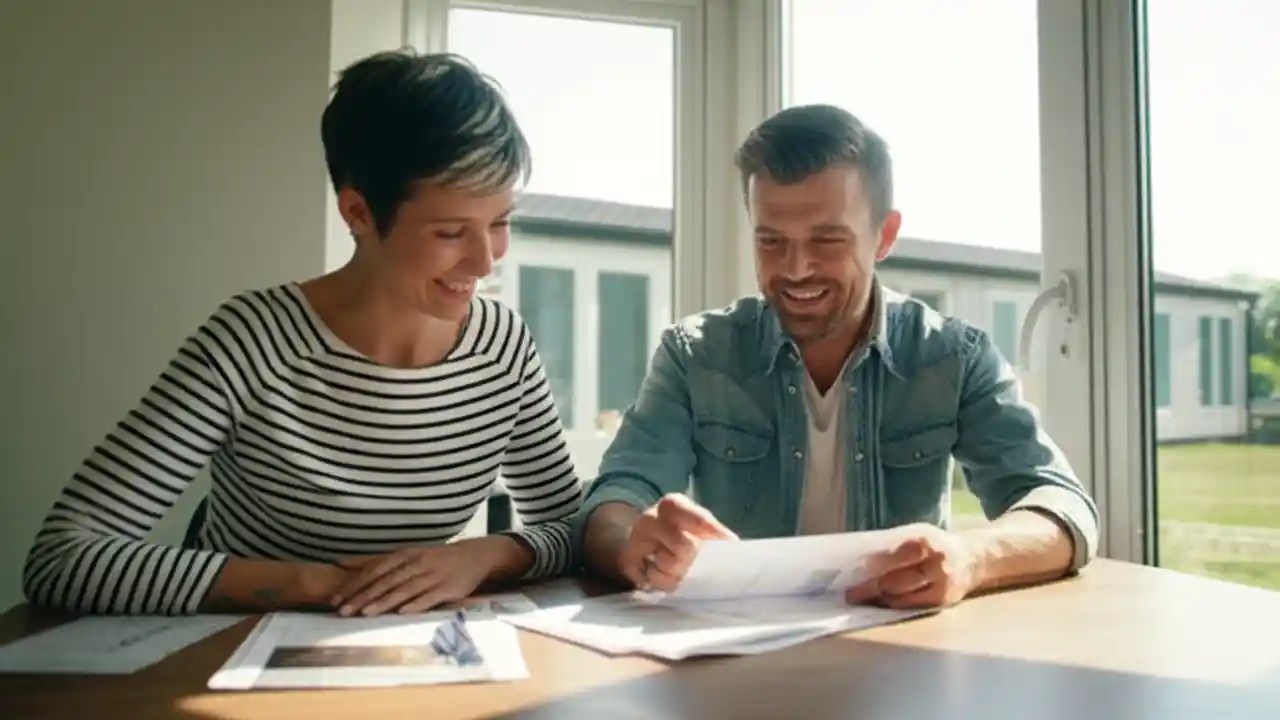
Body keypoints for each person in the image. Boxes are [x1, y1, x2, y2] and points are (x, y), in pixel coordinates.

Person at [23, 50, 583, 616]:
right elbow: (64, 557)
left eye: (500, 223)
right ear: (359, 213)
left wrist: (480, 556)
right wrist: (324, 586)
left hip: (408, 661)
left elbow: (572, 527)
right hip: (234, 665)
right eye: (450, 232)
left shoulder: (503, 347)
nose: (486, 262)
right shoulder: (250, 342)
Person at [576, 105, 1098, 608]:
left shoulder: (954, 357)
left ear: (884, 236)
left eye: (827, 240)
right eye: (771, 241)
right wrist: (631, 541)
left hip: (900, 657)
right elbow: (616, 496)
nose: (796, 268)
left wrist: (969, 558)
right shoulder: (696, 355)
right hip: (738, 660)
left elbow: (1061, 507)